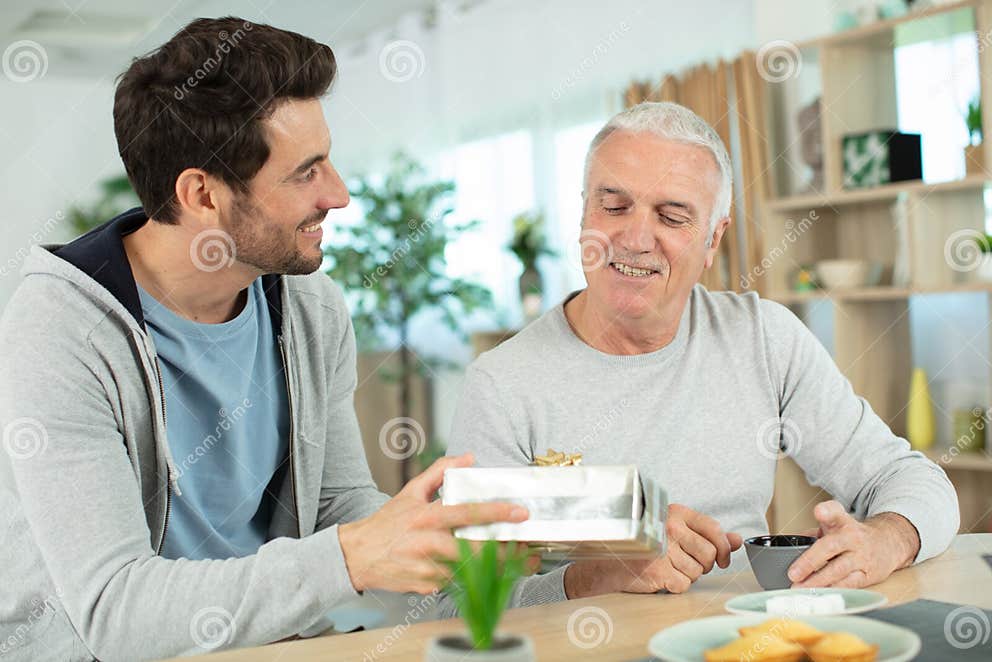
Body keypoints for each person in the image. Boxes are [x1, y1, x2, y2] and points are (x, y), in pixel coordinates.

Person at [0, 17, 527, 661]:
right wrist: (349, 558)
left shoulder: (309, 308)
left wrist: (538, 567)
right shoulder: (62, 332)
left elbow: (339, 509)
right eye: (306, 172)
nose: (339, 194)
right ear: (201, 194)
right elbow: (115, 612)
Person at [442, 101, 959, 613]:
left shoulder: (764, 338)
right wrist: (592, 576)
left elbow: (911, 480)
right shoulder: (502, 384)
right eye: (614, 206)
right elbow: (456, 608)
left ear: (713, 239)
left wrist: (888, 537)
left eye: (672, 216)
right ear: (583, 215)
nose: (636, 239)